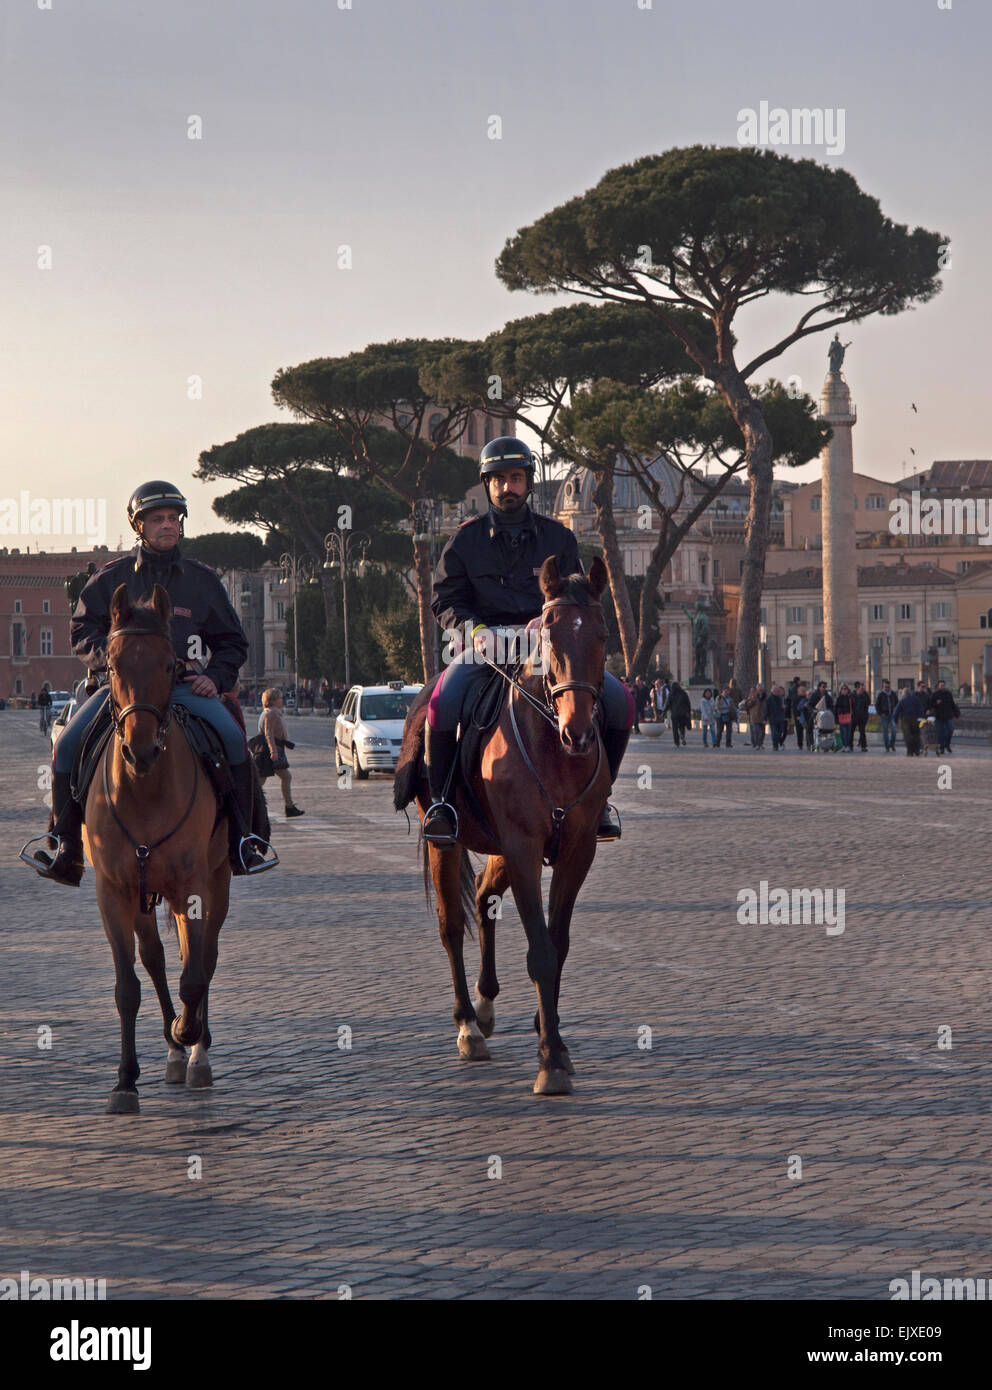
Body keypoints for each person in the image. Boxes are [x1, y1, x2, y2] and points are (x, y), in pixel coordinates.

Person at [26, 480, 275, 885]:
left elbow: (233, 642)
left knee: (233, 739)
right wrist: (111, 661)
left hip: (185, 689)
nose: (168, 526)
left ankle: (244, 842)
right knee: (68, 743)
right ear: (138, 526)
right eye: (157, 519)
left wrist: (215, 678)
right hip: (120, 694)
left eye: (174, 519)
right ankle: (66, 846)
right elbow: (81, 630)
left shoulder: (203, 581)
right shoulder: (111, 578)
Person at [423, 437, 633, 847]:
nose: (507, 488)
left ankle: (600, 799)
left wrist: (548, 624)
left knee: (621, 701)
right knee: (441, 702)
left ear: (529, 482)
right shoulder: (464, 541)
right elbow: (443, 600)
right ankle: (442, 804)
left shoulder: (560, 539)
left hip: (546, 647)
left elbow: (576, 598)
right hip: (487, 646)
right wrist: (475, 632)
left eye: (515, 478)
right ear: (487, 485)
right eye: (498, 480)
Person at [258, 688, 305, 817]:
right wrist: (273, 751)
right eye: (279, 698)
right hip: (272, 751)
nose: (282, 700)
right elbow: (268, 733)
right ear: (273, 700)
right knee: (280, 778)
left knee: (261, 780)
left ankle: (289, 806)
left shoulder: (272, 712)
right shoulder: (271, 713)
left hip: (274, 750)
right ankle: (288, 807)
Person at [928, 680, 960, 754]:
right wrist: (936, 703)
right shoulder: (935, 694)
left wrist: (956, 714)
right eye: (941, 685)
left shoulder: (948, 694)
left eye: (943, 685)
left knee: (950, 730)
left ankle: (947, 745)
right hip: (938, 716)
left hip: (948, 716)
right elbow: (930, 704)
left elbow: (952, 704)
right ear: (938, 686)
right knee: (940, 733)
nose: (942, 686)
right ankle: (941, 747)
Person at [893, 685, 926, 756]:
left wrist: (895, 721)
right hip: (915, 719)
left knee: (907, 736)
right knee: (916, 735)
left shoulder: (902, 700)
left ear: (904, 693)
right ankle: (916, 751)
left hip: (906, 719)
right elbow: (921, 709)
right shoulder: (916, 699)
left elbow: (896, 711)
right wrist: (922, 718)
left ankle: (910, 751)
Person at [661, 680, 691, 746]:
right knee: (682, 726)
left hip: (674, 714)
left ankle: (677, 742)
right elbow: (688, 704)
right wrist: (688, 712)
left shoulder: (671, 694)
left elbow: (667, 704)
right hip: (683, 714)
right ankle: (682, 735)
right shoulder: (683, 693)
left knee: (675, 728)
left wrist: (664, 712)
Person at [875, 679, 898, 752]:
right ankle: (887, 746)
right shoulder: (881, 694)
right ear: (883, 687)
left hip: (892, 715)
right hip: (884, 715)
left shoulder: (893, 694)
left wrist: (896, 713)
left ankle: (892, 744)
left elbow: (897, 704)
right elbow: (877, 705)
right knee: (885, 732)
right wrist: (880, 713)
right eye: (885, 687)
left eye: (888, 687)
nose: (887, 688)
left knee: (894, 730)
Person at [744, 684, 767, 749]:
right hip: (754, 716)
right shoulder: (753, 696)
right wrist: (752, 700)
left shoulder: (765, 696)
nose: (760, 691)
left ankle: (761, 743)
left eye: (761, 690)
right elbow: (747, 705)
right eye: (759, 690)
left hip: (763, 716)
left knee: (762, 732)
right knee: (756, 731)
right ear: (757, 690)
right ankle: (757, 744)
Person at [851, 681, 870, 752]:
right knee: (851, 731)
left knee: (862, 732)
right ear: (857, 689)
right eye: (861, 689)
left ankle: (863, 746)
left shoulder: (865, 695)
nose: (862, 690)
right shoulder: (852, 695)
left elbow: (868, 702)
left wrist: (864, 694)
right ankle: (850, 745)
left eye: (863, 689)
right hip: (854, 716)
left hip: (862, 716)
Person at [835, 683, 854, 751]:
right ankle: (844, 745)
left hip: (848, 717)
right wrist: (836, 718)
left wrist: (852, 715)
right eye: (842, 689)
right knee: (843, 732)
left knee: (848, 733)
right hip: (841, 717)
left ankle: (847, 745)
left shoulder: (850, 698)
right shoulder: (839, 698)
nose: (844, 690)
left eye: (845, 689)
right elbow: (836, 708)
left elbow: (853, 707)